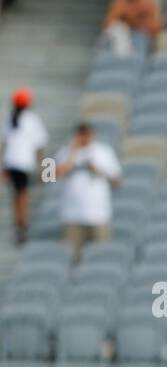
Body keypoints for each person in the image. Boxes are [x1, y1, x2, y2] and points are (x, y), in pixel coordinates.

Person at [54, 123, 121, 264]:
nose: (84, 138)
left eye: (87, 134)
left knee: (101, 259)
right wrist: (72, 154)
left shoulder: (103, 151)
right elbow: (53, 175)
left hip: (98, 215)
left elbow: (116, 180)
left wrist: (98, 170)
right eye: (81, 134)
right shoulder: (65, 152)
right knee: (71, 259)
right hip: (72, 215)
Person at [3, 88, 47, 245]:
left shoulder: (10, 119)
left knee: (17, 196)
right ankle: (22, 225)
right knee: (23, 196)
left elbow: (4, 144)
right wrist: (44, 170)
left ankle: (19, 224)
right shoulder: (32, 120)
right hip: (23, 163)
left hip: (11, 162)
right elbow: (40, 146)